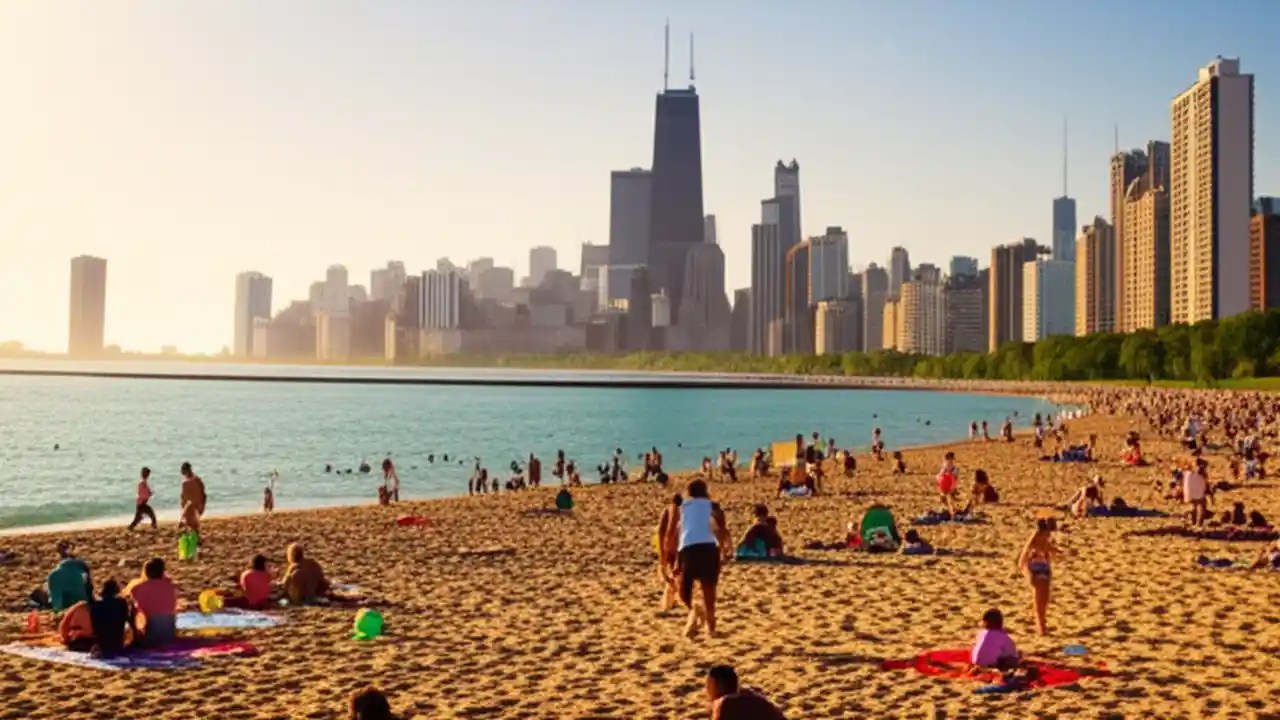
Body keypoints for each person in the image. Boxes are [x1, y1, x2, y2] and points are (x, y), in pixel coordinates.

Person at [665, 478, 731, 639]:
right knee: (709, 590)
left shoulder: (682, 507)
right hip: (709, 548)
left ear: (688, 493)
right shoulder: (713, 506)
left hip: (688, 548)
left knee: (683, 590)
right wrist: (725, 549)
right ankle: (711, 628)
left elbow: (672, 531)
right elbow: (722, 529)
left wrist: (670, 555)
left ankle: (694, 610)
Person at [1017, 518, 1063, 635]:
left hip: (1044, 570)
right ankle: (1041, 627)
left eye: (1046, 535)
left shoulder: (1045, 544)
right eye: (1043, 535)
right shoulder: (1032, 546)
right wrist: (1028, 573)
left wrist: (1059, 552)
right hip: (1035, 571)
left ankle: (1042, 624)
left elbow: (1052, 550)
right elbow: (1022, 562)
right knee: (1038, 601)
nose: (1046, 537)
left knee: (1044, 600)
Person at [125, 558, 178, 647]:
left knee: (131, 609)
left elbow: (125, 596)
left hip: (151, 638)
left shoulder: (137, 588)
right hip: (169, 635)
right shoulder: (170, 586)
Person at [705, 665, 787, 720]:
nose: (707, 689)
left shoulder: (725, 705)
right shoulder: (751, 696)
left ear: (716, 685)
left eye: (709, 684)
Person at [47, 540, 93, 611]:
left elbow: (56, 603)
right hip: (84, 607)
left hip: (68, 609)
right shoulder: (83, 569)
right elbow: (89, 591)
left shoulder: (55, 574)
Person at [656, 495, 683, 610]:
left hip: (668, 543)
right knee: (676, 573)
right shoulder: (682, 511)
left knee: (670, 573)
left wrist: (662, 548)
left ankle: (669, 602)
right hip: (678, 545)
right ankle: (670, 601)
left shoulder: (668, 510)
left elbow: (660, 530)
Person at [1184, 458, 1210, 526]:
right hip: (1199, 494)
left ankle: (1193, 522)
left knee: (1193, 507)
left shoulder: (1187, 473)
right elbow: (1205, 483)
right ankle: (1199, 524)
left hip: (1189, 493)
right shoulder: (1201, 474)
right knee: (1202, 508)